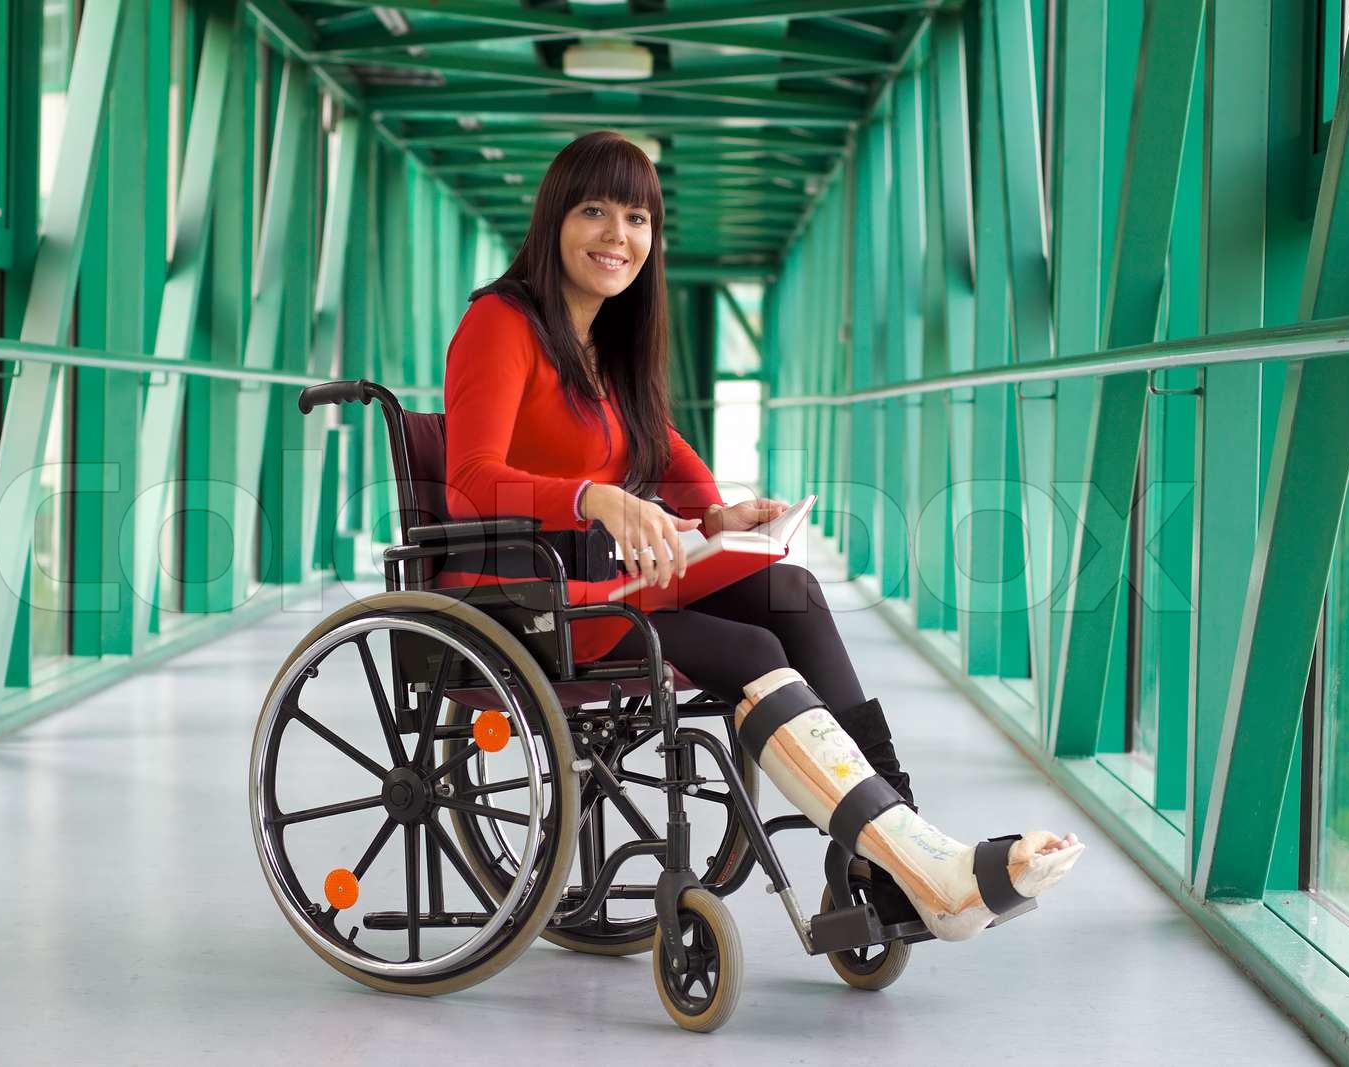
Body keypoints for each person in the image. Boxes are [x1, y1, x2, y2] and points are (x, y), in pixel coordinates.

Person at [440, 130, 1082, 941]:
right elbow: (468, 479)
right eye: (594, 211)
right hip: (525, 594)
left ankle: (892, 855)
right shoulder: (502, 322)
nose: (618, 236)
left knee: (789, 587)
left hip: (609, 581)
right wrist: (594, 497)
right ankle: (922, 868)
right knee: (750, 653)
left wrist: (715, 516)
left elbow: (658, 441)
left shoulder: (604, 340)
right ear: (552, 220)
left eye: (638, 217)